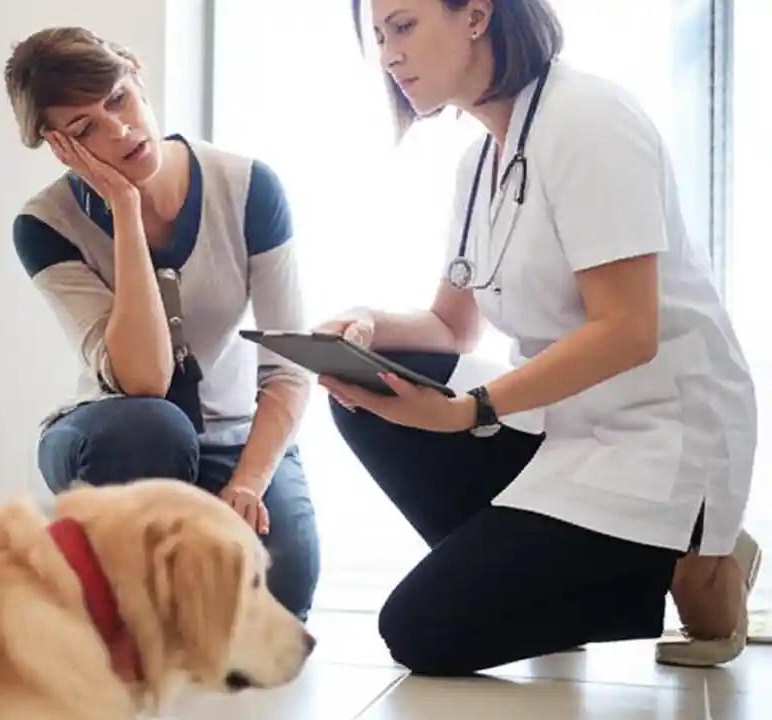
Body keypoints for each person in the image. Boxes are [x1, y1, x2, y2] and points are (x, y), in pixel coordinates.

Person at [317, 0, 762, 675]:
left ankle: (698, 561)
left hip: (659, 434)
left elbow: (630, 330)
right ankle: (547, 587)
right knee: (367, 376)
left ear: (475, 15)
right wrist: (366, 325)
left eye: (403, 26)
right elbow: (451, 325)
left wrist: (475, 408)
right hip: (563, 427)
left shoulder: (589, 120)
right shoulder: (481, 163)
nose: (388, 56)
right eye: (378, 37)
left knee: (421, 633)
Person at [2, 26, 321, 620]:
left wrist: (249, 484)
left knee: (281, 597)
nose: (117, 130)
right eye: (84, 129)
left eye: (118, 99)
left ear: (136, 77)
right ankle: (118, 589)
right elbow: (142, 379)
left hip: (235, 441)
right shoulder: (45, 225)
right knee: (152, 426)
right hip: (115, 438)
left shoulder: (249, 187)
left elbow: (289, 368)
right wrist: (124, 206)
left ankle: (130, 581)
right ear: (59, 146)